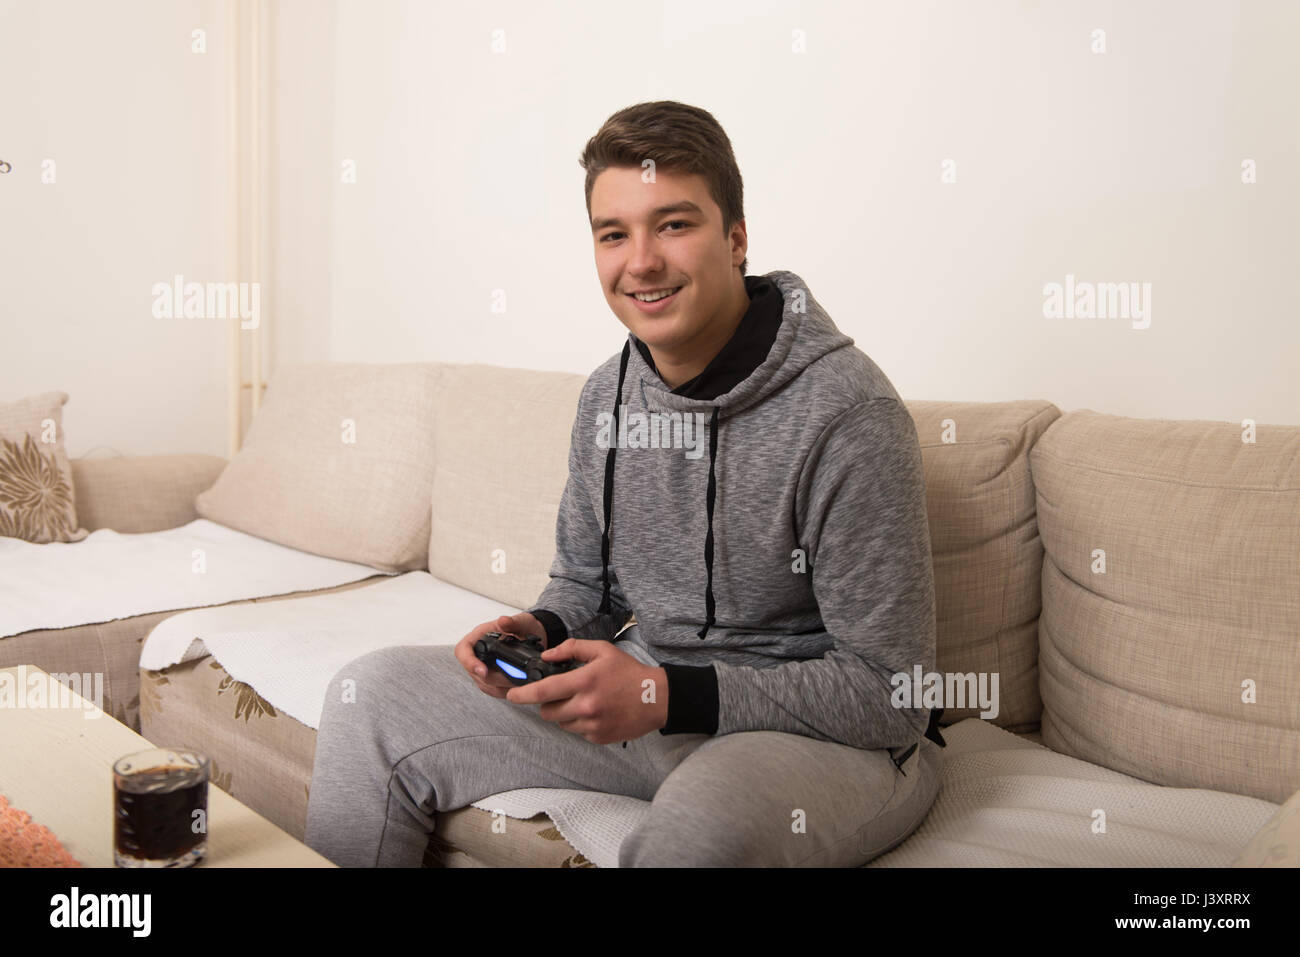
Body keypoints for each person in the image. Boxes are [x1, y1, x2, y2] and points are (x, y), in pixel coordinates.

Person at [304, 100, 945, 867]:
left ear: (737, 240)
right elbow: (588, 588)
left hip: (816, 740)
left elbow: (890, 691)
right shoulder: (607, 395)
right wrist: (538, 631)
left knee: (701, 829)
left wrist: (666, 694)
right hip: (647, 708)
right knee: (368, 696)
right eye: (614, 234)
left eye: (673, 224)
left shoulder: (849, 414)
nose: (640, 261)